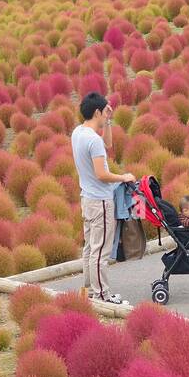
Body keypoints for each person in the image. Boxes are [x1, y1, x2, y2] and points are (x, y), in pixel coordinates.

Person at [73, 93, 133, 304]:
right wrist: (123, 177)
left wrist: (108, 121)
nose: (106, 115)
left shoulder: (78, 133)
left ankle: (90, 290)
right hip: (100, 202)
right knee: (101, 252)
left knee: (90, 248)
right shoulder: (92, 140)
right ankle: (102, 295)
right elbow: (102, 174)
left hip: (87, 200)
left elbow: (107, 143)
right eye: (104, 112)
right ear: (97, 111)